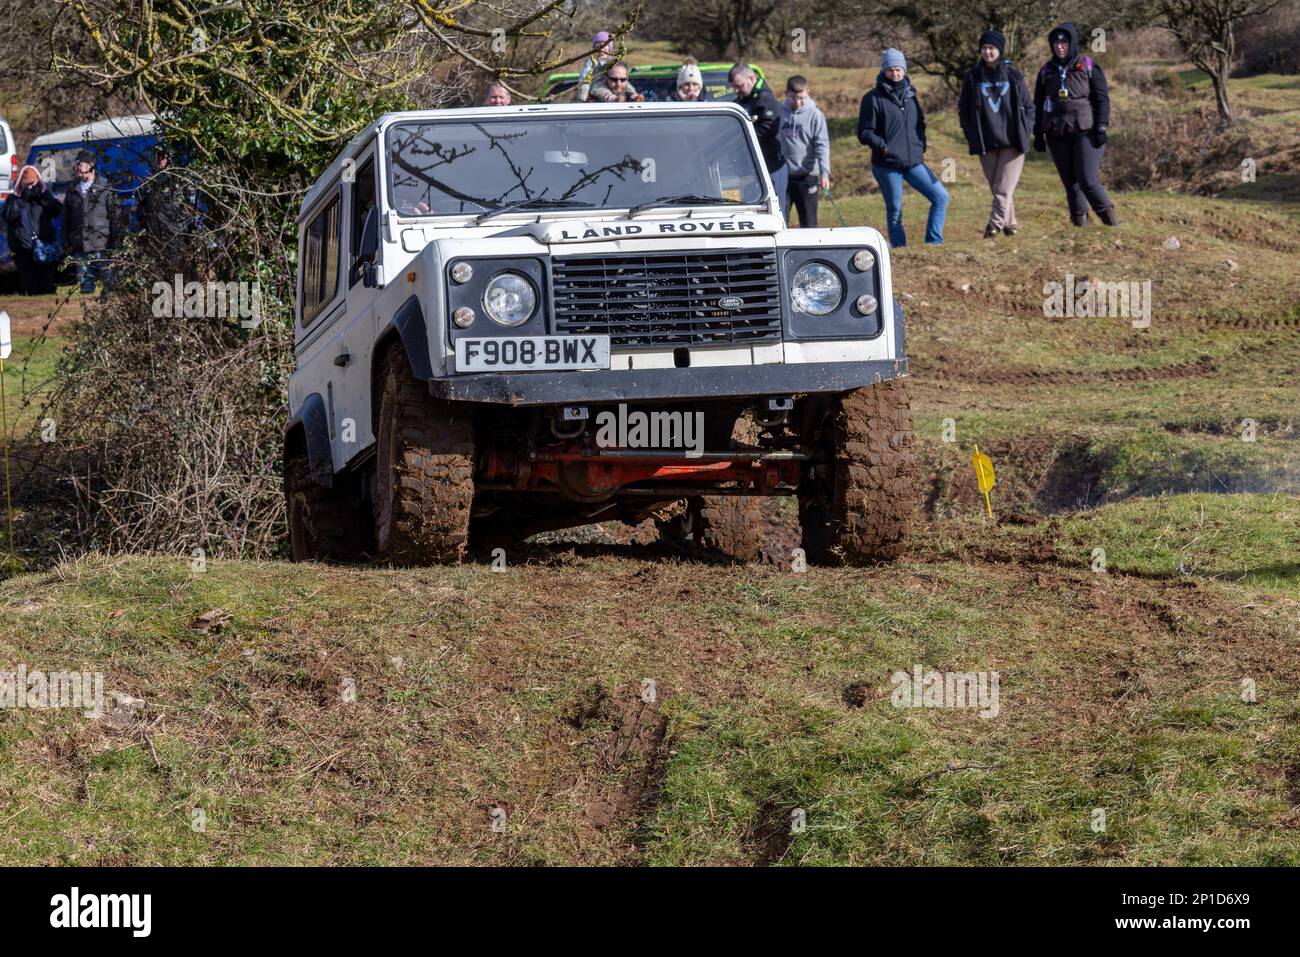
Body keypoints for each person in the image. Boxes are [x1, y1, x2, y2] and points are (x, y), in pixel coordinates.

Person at [857, 48, 948, 246]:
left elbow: (920, 123)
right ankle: (900, 247)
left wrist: (920, 144)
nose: (895, 74)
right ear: (884, 71)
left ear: (904, 70)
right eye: (891, 70)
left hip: (914, 162)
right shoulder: (872, 98)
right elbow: (864, 132)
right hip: (887, 164)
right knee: (895, 209)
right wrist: (882, 147)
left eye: (899, 69)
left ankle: (934, 241)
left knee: (941, 197)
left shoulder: (911, 95)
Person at [1033, 22, 1117, 226]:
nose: (1059, 46)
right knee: (1071, 184)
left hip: (1086, 131)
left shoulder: (1088, 66)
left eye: (1064, 42)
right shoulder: (1046, 70)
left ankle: (1111, 224)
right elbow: (1037, 103)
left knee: (1087, 180)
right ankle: (1080, 227)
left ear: (1072, 43)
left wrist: (1101, 127)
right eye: (1055, 42)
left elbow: (1101, 99)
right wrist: (1038, 134)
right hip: (1056, 132)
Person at [958, 29, 1033, 237]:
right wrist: (970, 131)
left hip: (1013, 141)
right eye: (984, 48)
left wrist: (1026, 129)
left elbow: (1029, 107)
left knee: (1003, 188)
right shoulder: (972, 78)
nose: (987, 52)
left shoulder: (1014, 76)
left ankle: (994, 226)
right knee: (998, 188)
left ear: (999, 50)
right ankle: (1011, 224)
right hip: (985, 140)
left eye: (991, 48)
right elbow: (963, 108)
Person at [62, 150, 121, 293]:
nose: (76, 167)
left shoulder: (105, 187)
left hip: (101, 240)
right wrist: (65, 241)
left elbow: (115, 214)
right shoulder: (72, 189)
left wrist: (116, 238)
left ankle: (111, 298)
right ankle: (85, 300)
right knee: (84, 278)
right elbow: (66, 218)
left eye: (79, 164)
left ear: (91, 165)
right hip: (79, 241)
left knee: (107, 276)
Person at [730, 64, 785, 208]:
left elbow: (768, 128)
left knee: (774, 207)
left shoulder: (765, 99)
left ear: (752, 79)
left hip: (771, 165)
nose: (737, 91)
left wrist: (742, 140)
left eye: (739, 86)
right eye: (734, 87)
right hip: (752, 167)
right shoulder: (743, 100)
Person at [779, 75, 830, 227]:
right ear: (786, 93)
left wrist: (824, 172)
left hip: (807, 177)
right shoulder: (779, 113)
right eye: (793, 97)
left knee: (809, 224)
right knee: (781, 222)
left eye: (801, 97)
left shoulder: (815, 115)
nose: (798, 102)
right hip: (784, 176)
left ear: (808, 92)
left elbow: (822, 144)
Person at [2, 164, 62, 294]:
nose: (30, 187)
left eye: (33, 184)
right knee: (29, 282)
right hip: (22, 247)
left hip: (44, 245)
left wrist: (42, 199)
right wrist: (23, 200)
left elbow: (56, 211)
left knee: (47, 280)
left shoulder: (44, 195)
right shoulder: (13, 199)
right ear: (21, 184)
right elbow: (8, 216)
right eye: (27, 184)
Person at [575, 31, 615, 102]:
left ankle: (633, 94)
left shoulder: (612, 60)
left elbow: (620, 70)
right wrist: (584, 86)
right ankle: (610, 98)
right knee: (596, 88)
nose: (601, 47)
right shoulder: (591, 60)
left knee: (625, 83)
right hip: (597, 82)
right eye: (598, 44)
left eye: (605, 45)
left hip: (613, 81)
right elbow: (585, 74)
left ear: (609, 48)